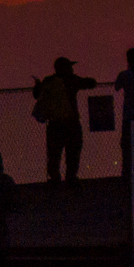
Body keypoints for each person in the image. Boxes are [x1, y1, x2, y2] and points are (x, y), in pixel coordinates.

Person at [30, 55, 96, 186]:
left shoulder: (49, 81)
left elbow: (37, 95)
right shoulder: (71, 80)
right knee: (73, 152)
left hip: (54, 123)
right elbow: (91, 83)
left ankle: (55, 179)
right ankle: (71, 178)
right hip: (71, 122)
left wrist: (37, 84)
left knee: (54, 153)